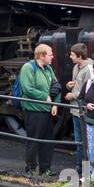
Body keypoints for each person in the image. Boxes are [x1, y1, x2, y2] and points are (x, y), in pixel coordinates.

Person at [16, 43, 60, 177]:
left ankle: (45, 169)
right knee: (34, 139)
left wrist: (55, 104)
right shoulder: (28, 68)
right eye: (50, 54)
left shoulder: (48, 69)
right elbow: (27, 88)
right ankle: (30, 168)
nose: (52, 57)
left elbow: (56, 85)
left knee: (48, 140)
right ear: (41, 55)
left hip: (47, 110)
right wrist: (44, 96)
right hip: (33, 111)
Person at [63, 43, 94, 179]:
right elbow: (79, 85)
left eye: (72, 55)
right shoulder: (76, 67)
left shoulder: (89, 69)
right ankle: (80, 165)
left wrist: (73, 95)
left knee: (85, 140)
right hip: (75, 109)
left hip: (83, 110)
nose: (70, 57)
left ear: (80, 57)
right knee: (78, 139)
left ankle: (84, 167)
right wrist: (71, 85)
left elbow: (89, 89)